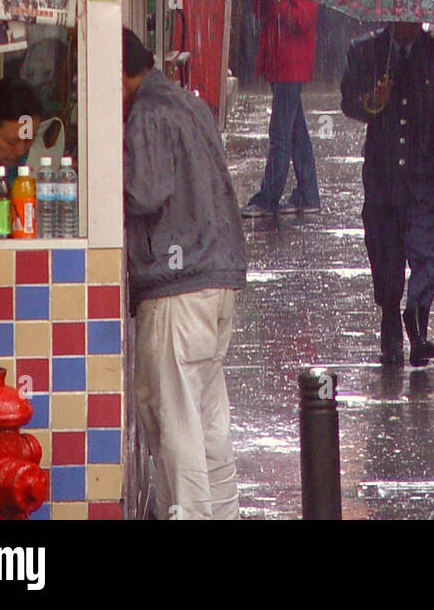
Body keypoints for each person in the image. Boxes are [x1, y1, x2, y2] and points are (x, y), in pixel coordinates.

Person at [122, 28, 247, 521]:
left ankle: (191, 514)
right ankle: (223, 512)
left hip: (180, 284)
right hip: (217, 276)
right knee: (207, 418)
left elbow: (144, 193)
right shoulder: (188, 104)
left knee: (174, 420)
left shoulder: (148, 113)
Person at [340, 21, 434, 367]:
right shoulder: (366, 51)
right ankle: (391, 320)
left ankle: (417, 320)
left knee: (426, 254)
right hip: (384, 179)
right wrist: (373, 100)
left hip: (427, 176)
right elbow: (348, 101)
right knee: (386, 258)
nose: (405, 26)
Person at [242, 0, 320, 218]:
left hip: (291, 64)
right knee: (296, 132)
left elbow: (302, 22)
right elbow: (260, 13)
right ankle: (307, 193)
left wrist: (279, 0)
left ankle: (269, 197)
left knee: (280, 135)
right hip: (279, 63)